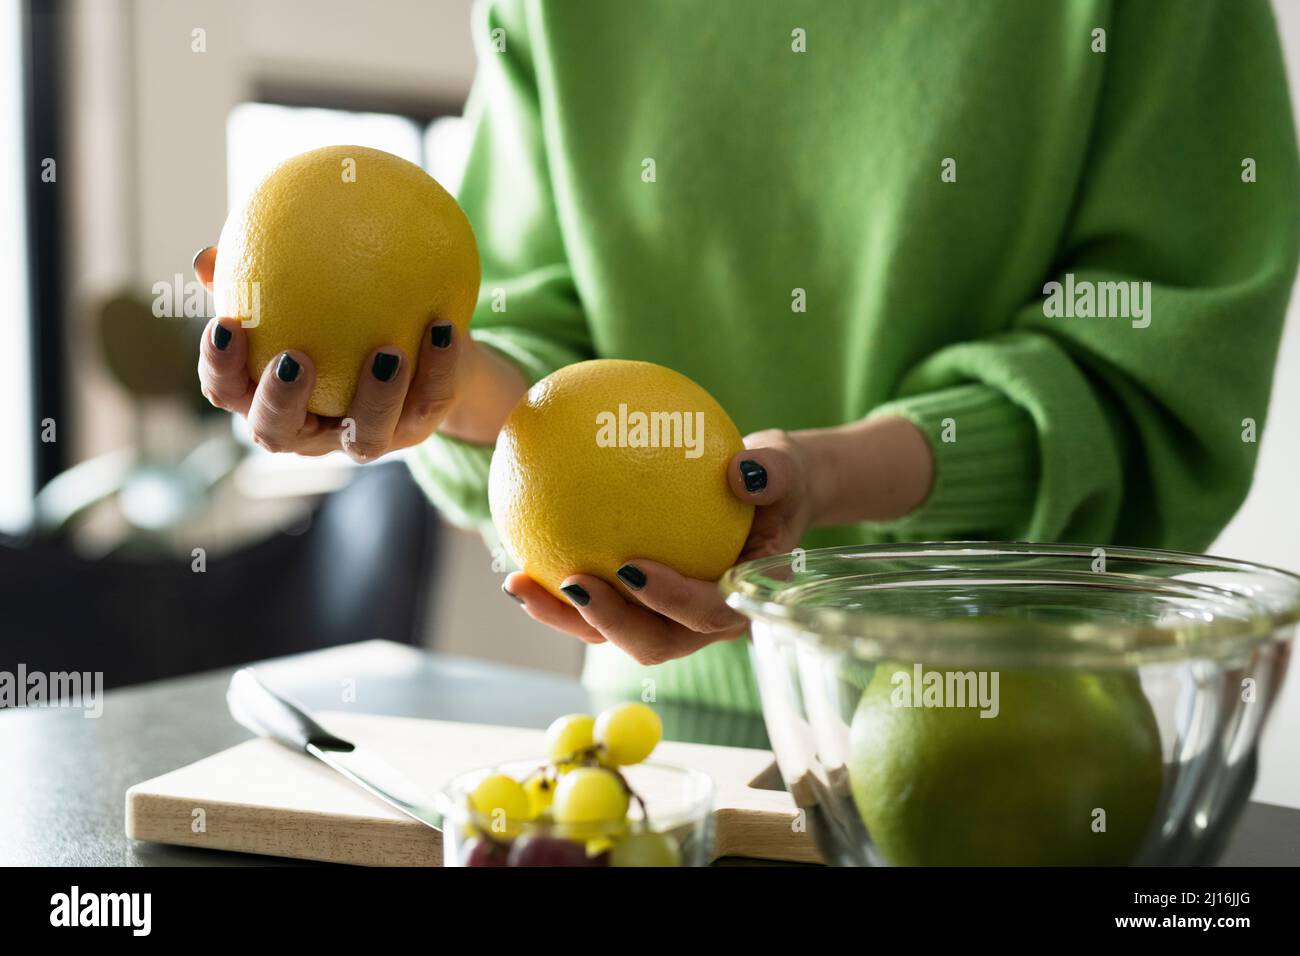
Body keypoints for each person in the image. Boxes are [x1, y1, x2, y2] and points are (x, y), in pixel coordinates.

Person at [195, 0, 1300, 714]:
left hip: (1013, 746)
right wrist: (429, 393)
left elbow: (1160, 373)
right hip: (656, 751)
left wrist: (826, 488)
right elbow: (531, 353)